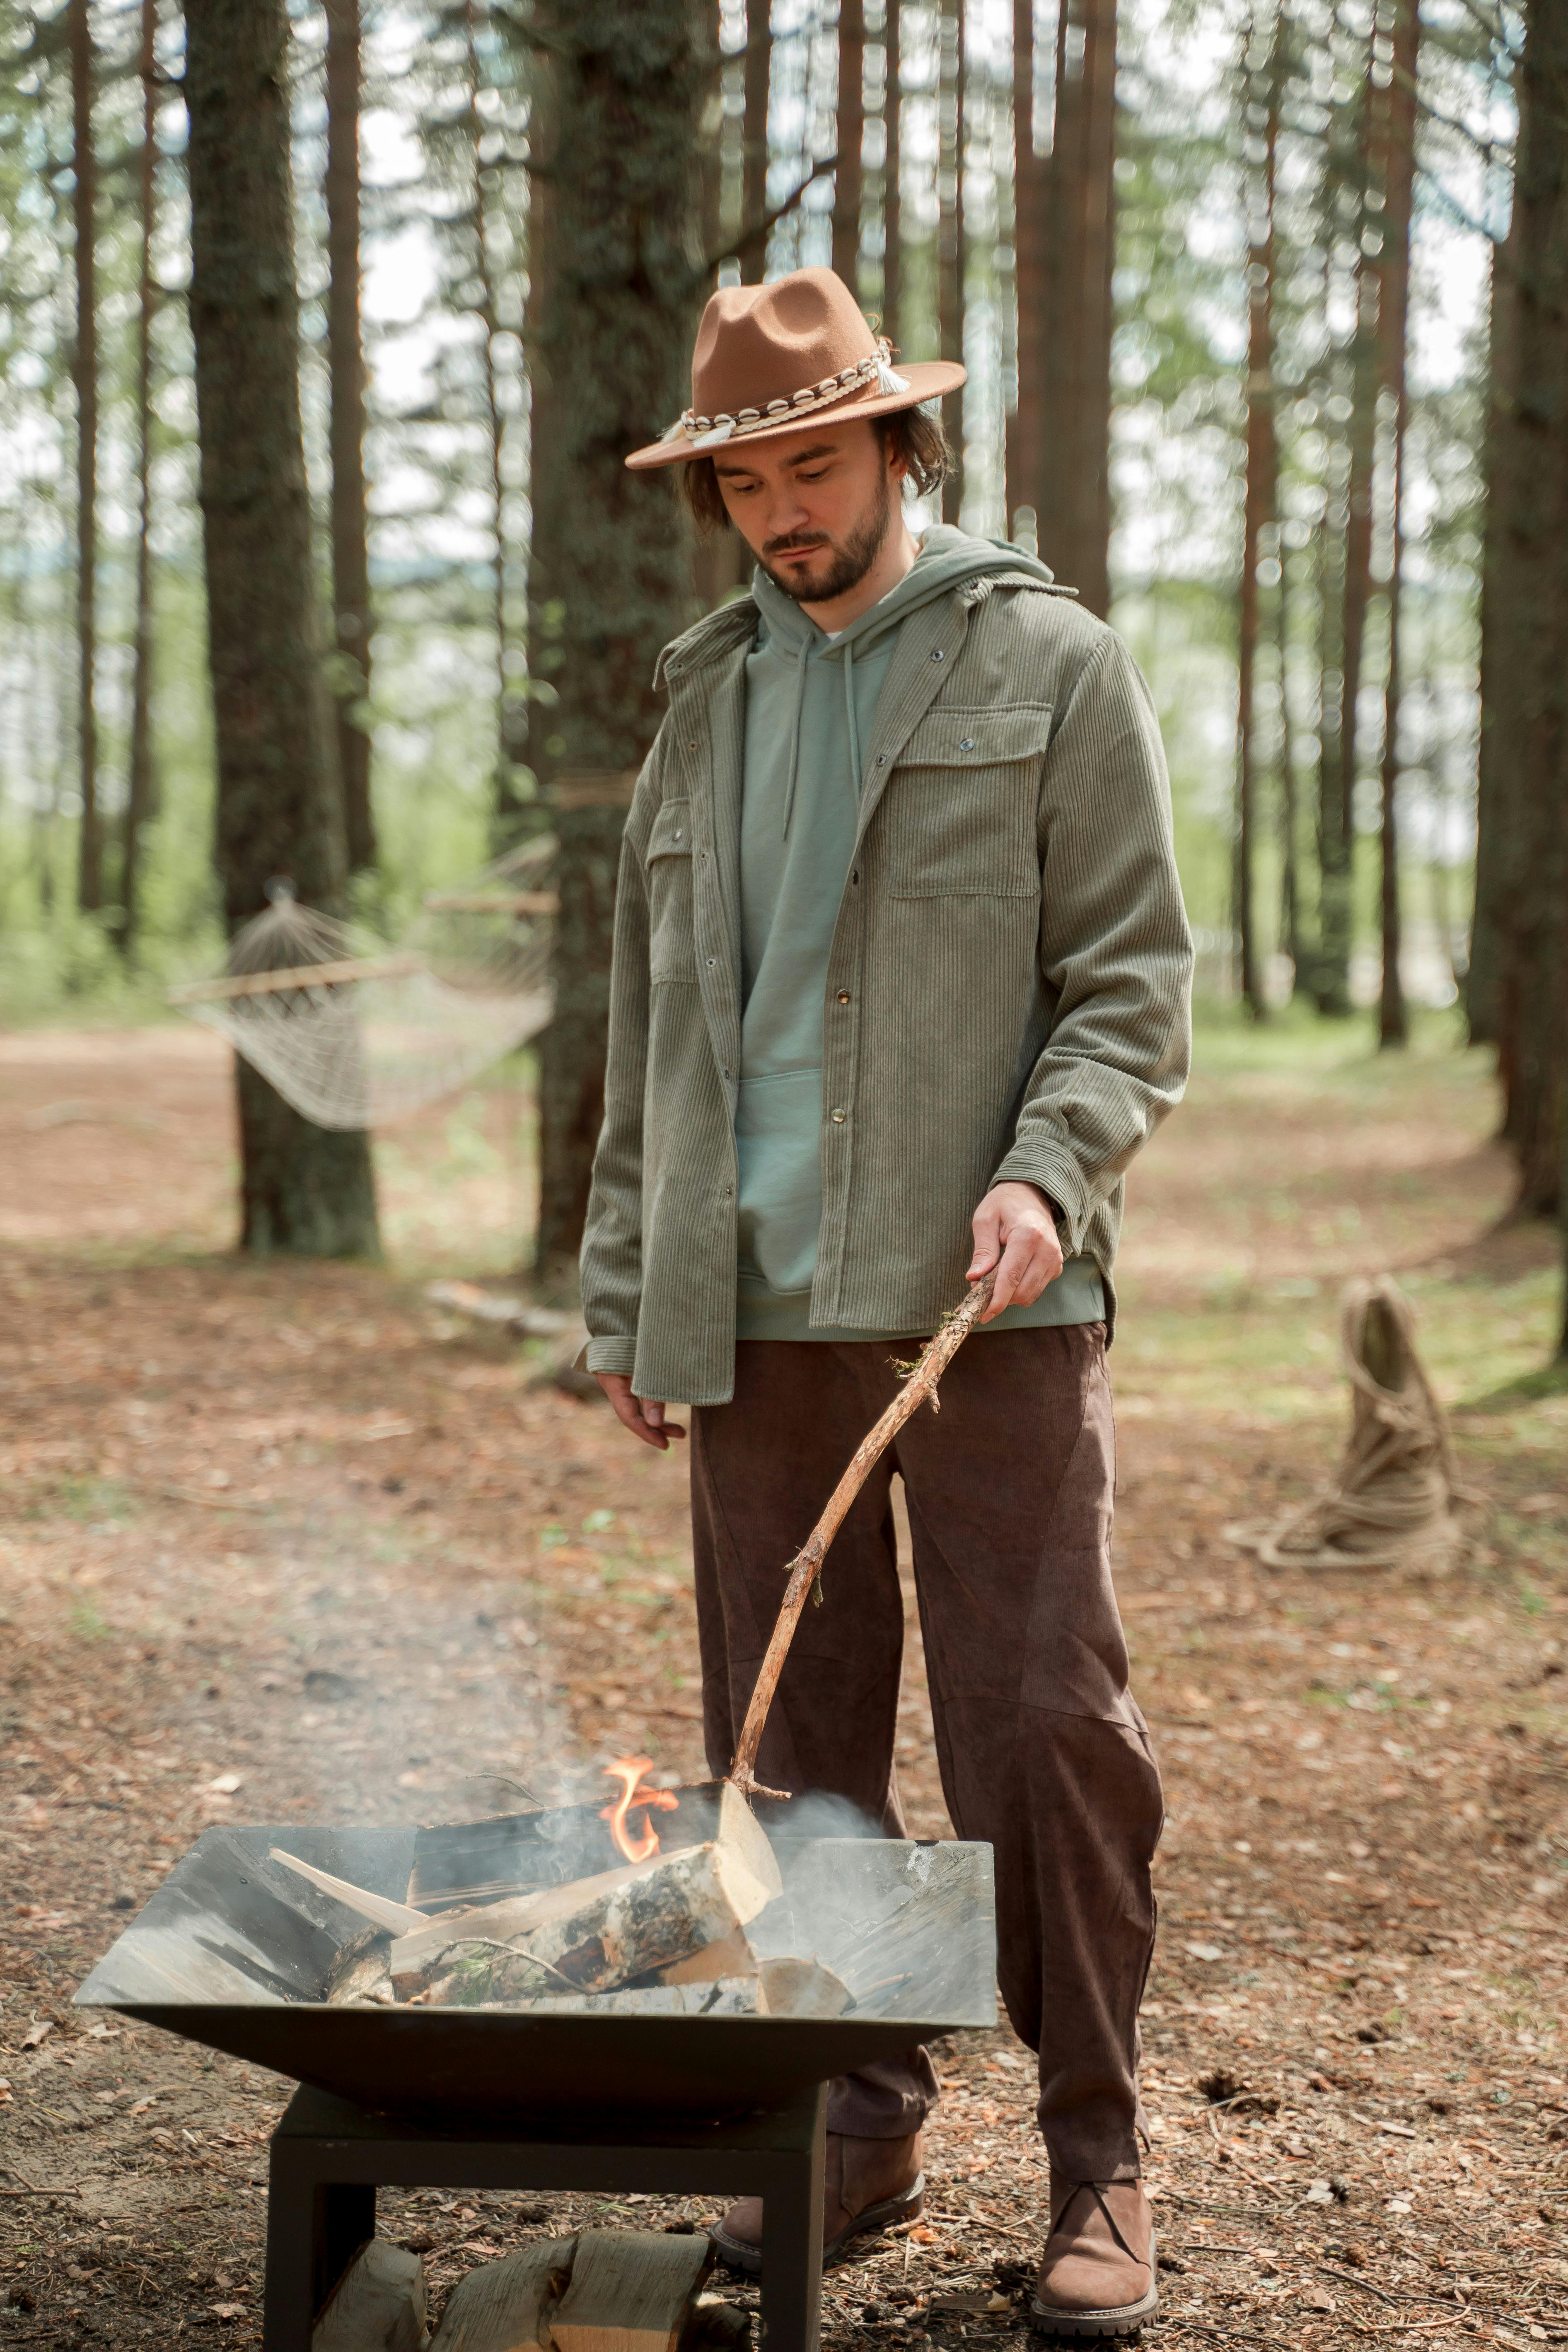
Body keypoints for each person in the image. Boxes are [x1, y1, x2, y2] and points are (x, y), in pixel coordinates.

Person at [579, 265, 1193, 2340]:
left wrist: (1046, 1169)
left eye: (816, 466)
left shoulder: (1048, 664)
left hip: (985, 1309)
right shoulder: (705, 704)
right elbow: (655, 1025)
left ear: (900, 448)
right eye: (746, 482)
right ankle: (854, 2121)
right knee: (789, 1751)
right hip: (750, 1314)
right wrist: (629, 1286)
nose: (784, 513)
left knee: (1046, 1734)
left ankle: (1097, 2158)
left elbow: (1128, 982)